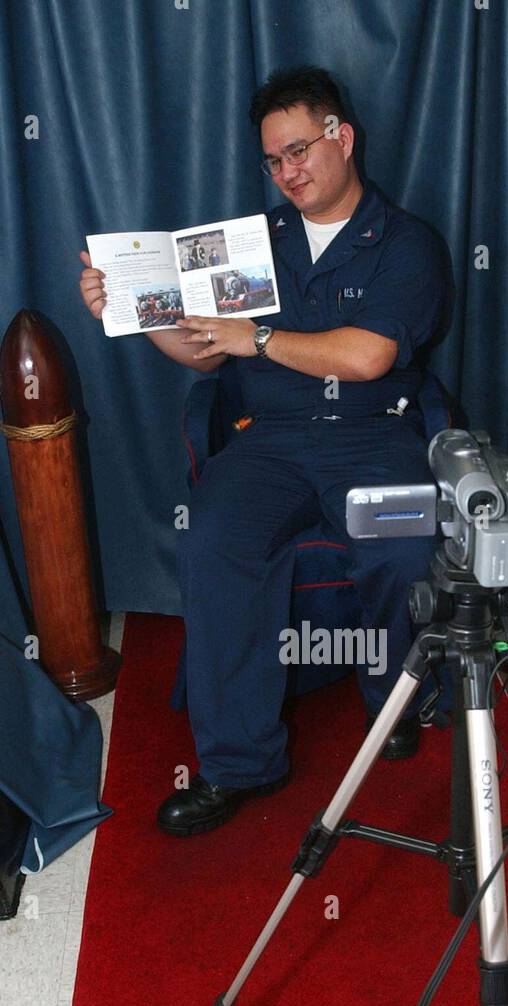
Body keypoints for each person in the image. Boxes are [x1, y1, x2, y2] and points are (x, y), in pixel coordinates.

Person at [79, 65, 454, 836]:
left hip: (374, 436)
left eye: (299, 152)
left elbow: (368, 357)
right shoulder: (253, 244)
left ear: (341, 139)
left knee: (404, 551)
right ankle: (238, 764)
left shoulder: (408, 242)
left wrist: (261, 337)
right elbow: (207, 355)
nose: (288, 172)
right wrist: (129, 310)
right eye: (274, 161)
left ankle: (398, 703)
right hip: (272, 441)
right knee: (215, 541)